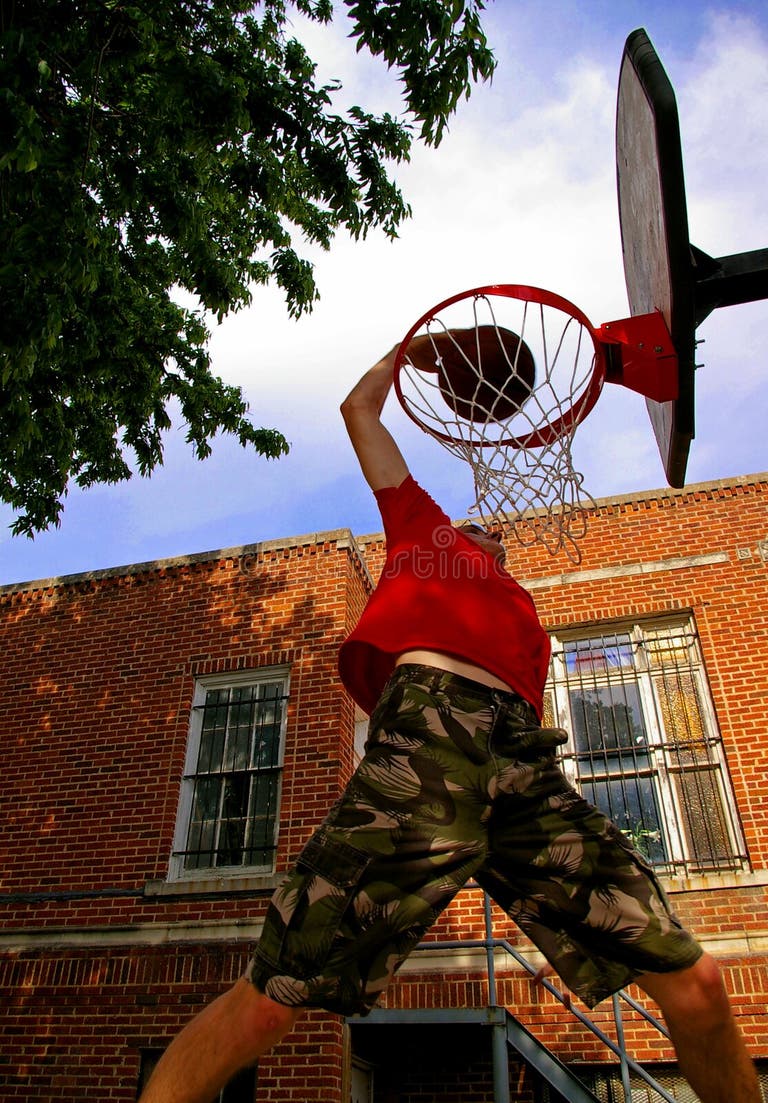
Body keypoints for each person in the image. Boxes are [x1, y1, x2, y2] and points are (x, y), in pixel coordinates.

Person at [140, 342, 760, 1103]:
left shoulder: (525, 615)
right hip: (431, 740)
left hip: (525, 765)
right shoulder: (422, 530)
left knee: (695, 977)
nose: (491, 528)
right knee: (276, 996)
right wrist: (409, 351)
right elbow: (357, 411)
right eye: (478, 524)